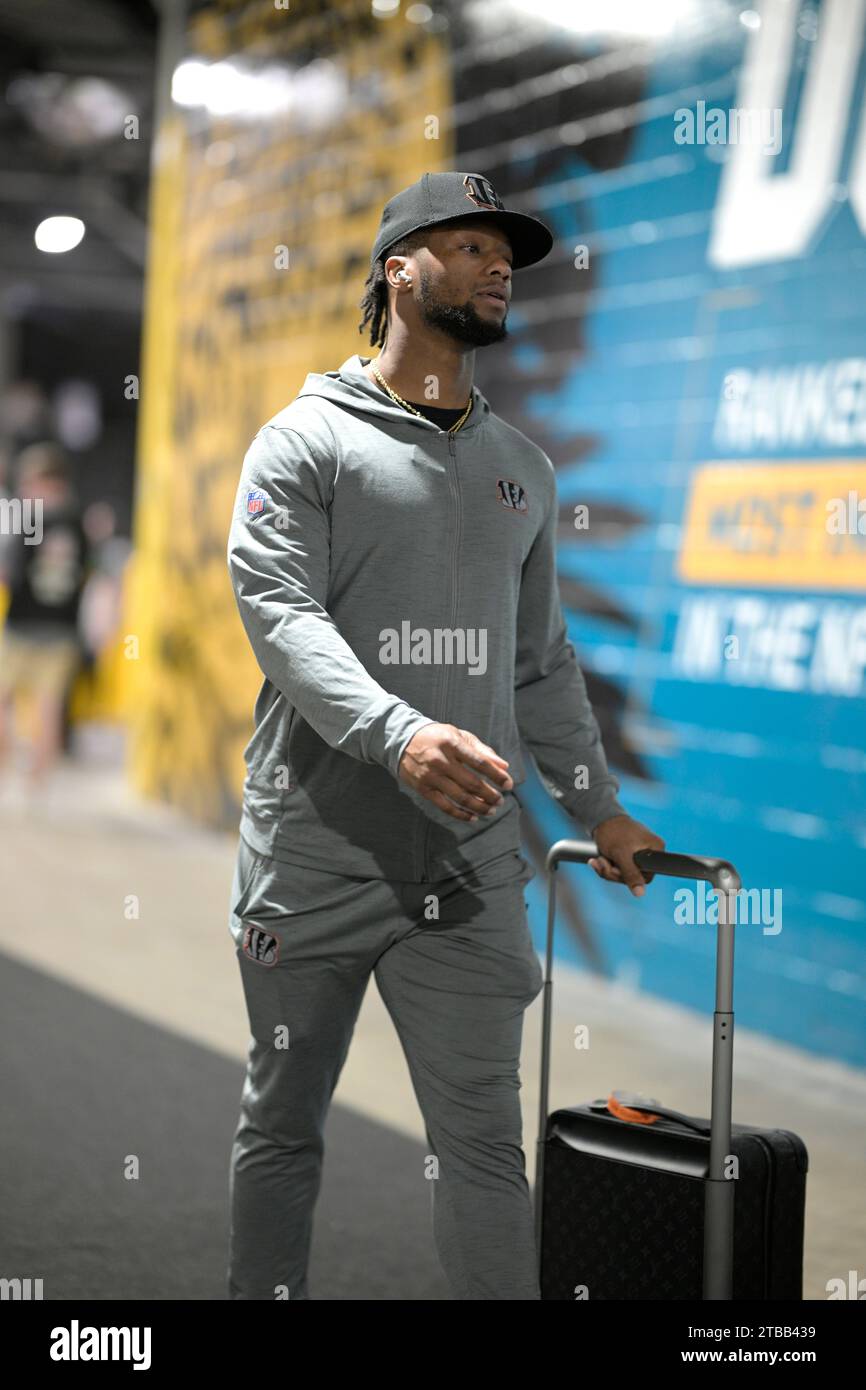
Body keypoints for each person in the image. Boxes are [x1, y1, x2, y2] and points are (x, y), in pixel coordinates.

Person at [225, 171, 665, 1300]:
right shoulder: (303, 441)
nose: (493, 264)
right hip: (313, 851)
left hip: (463, 868)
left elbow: (540, 662)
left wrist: (597, 807)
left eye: (500, 250)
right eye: (464, 245)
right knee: (282, 1125)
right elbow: (281, 614)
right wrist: (394, 730)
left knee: (481, 1144)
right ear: (396, 271)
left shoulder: (521, 469)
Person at [0, 442, 90, 790]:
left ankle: (6, 767)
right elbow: (85, 574)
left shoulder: (30, 520)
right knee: (49, 706)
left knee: (4, 696)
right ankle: (38, 781)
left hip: (22, 625)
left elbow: (10, 573)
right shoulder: (78, 521)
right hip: (63, 628)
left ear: (45, 481)